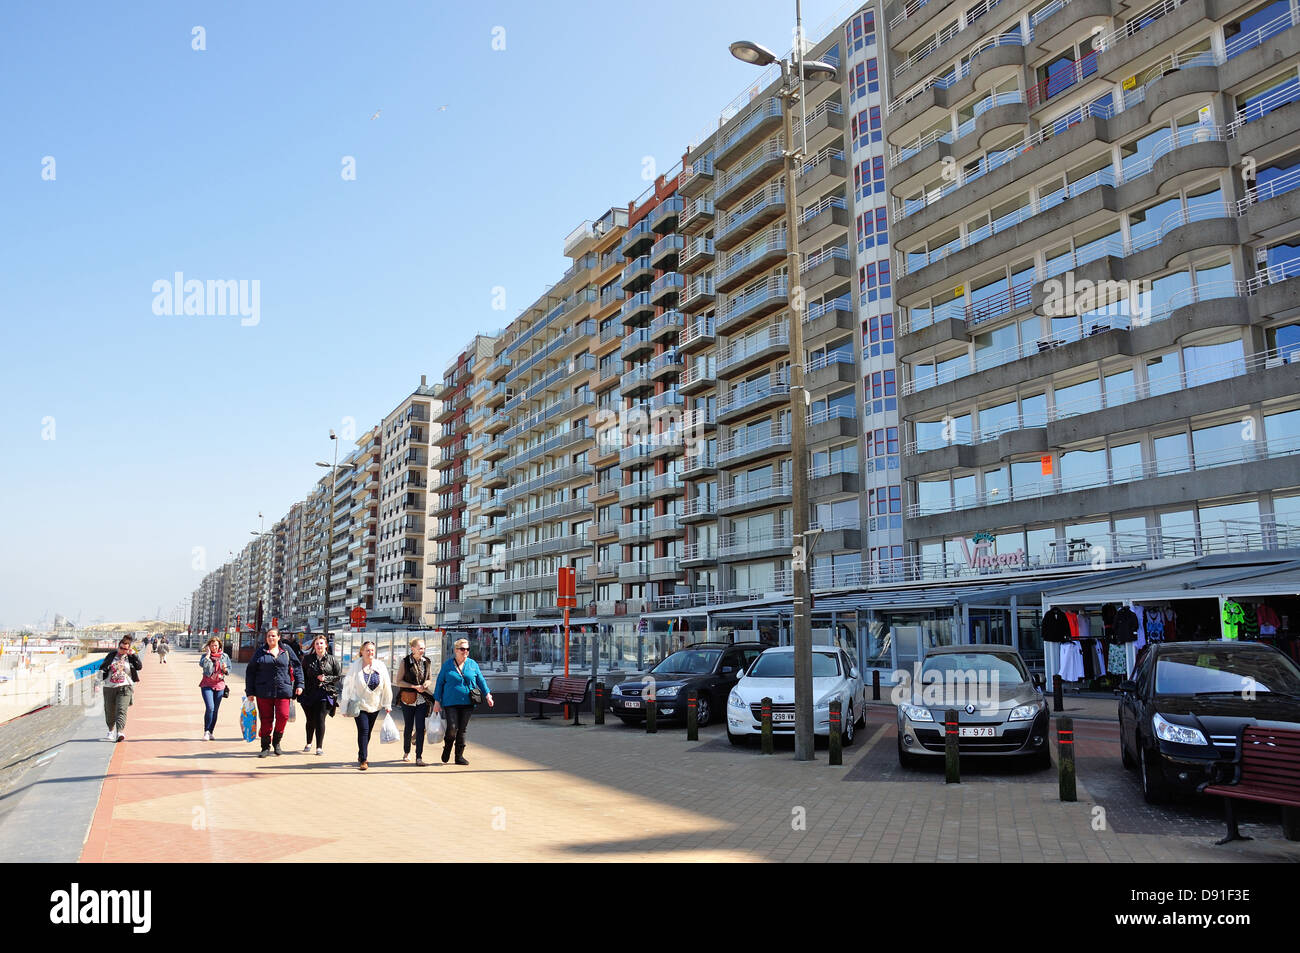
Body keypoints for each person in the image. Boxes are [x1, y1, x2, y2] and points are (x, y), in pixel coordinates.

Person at [244, 628, 304, 757]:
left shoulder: (286, 650)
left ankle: (277, 742)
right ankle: (265, 746)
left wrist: (300, 684)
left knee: (283, 716)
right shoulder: (260, 652)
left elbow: (297, 667)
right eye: (268, 636)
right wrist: (250, 691)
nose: (271, 638)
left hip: (283, 690)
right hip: (263, 691)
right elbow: (250, 672)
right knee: (266, 719)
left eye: (273, 636)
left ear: (278, 637)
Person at [433, 638, 493, 766]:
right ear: (456, 650)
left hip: (468, 702)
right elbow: (439, 683)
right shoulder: (447, 665)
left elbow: (481, 681)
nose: (465, 651)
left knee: (462, 729)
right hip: (450, 702)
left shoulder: (472, 664)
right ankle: (447, 747)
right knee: (452, 728)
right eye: (462, 649)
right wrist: (437, 701)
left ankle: (459, 756)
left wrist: (488, 695)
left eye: (467, 649)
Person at [340, 641, 391, 770]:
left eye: (372, 650)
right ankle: (364, 759)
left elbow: (387, 685)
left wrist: (387, 703)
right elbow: (348, 686)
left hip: (375, 704)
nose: (370, 653)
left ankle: (361, 752)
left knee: (368, 732)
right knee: (363, 730)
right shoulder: (355, 666)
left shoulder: (380, 666)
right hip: (360, 704)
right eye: (367, 650)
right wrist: (344, 706)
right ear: (362, 652)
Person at [394, 636, 435, 765]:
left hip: (422, 700)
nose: (422, 650)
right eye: (420, 648)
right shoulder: (405, 662)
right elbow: (399, 681)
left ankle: (419, 757)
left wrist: (426, 684)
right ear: (413, 649)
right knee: (408, 727)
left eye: (423, 648)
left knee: (421, 727)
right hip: (408, 699)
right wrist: (414, 687)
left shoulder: (426, 661)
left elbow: (429, 678)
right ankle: (406, 751)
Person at [299, 634, 342, 755]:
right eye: (317, 644)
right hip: (309, 693)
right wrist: (299, 688)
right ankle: (308, 742)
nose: (319, 646)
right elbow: (302, 675)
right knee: (310, 719)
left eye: (321, 643)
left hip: (325, 693)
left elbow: (337, 676)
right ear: (314, 646)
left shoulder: (332, 660)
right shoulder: (307, 659)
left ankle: (319, 747)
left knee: (320, 719)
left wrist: (326, 678)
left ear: (326, 645)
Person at [98, 635, 141, 742]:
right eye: (121, 648)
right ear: (118, 646)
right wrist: (108, 668)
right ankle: (111, 730)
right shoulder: (111, 655)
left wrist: (134, 655)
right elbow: (102, 668)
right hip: (109, 687)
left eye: (125, 649)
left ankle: (120, 732)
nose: (123, 650)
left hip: (125, 687)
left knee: (122, 710)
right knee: (110, 710)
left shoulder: (131, 657)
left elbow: (139, 667)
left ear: (129, 649)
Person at [198, 636, 230, 740]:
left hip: (219, 686)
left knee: (215, 710)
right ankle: (206, 731)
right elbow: (203, 666)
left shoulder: (224, 656)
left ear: (219, 646)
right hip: (207, 685)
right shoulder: (205, 656)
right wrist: (207, 655)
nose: (214, 647)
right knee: (210, 707)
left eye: (216, 645)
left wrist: (225, 669)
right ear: (209, 646)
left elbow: (228, 671)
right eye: (212, 645)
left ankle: (211, 731)